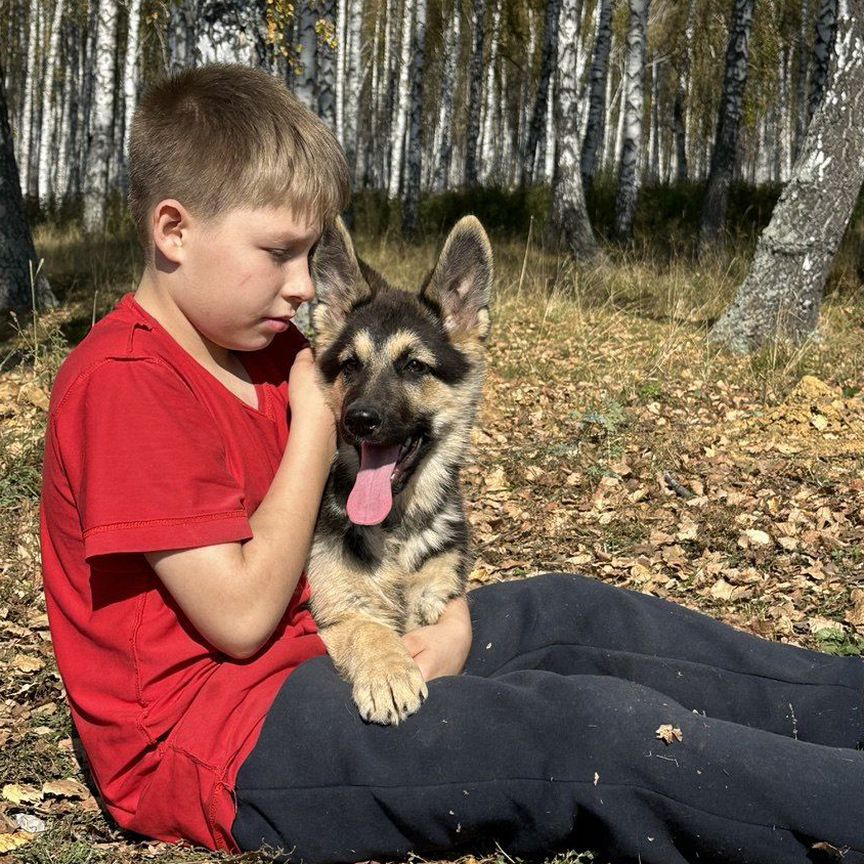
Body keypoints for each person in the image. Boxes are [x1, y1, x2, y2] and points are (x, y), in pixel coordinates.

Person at [39, 63, 864, 864]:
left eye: (309, 260)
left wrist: (452, 619)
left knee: (578, 616)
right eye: (280, 252)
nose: (303, 290)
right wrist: (312, 427)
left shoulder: (251, 349)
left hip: (330, 648)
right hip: (225, 743)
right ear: (174, 230)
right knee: (582, 732)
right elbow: (243, 618)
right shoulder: (126, 384)